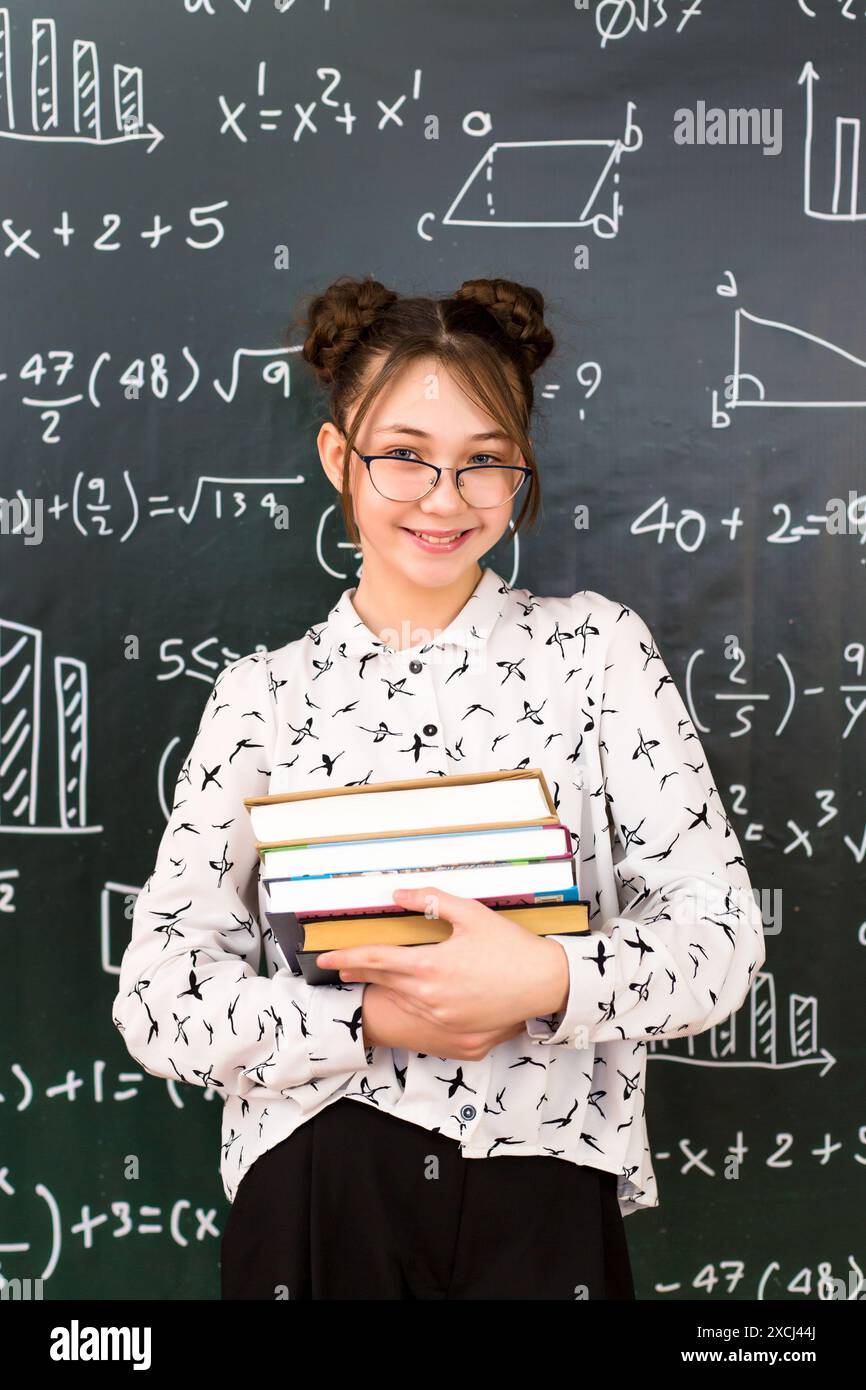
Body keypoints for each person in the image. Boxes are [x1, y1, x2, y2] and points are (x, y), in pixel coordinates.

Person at [112, 275, 766, 1300]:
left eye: (482, 464)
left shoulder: (594, 654)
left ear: (519, 468)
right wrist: (367, 1020)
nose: (443, 498)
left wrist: (544, 981)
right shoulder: (264, 698)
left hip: (540, 1190)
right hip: (320, 1187)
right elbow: (157, 1000)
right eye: (404, 456)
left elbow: (719, 940)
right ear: (339, 457)